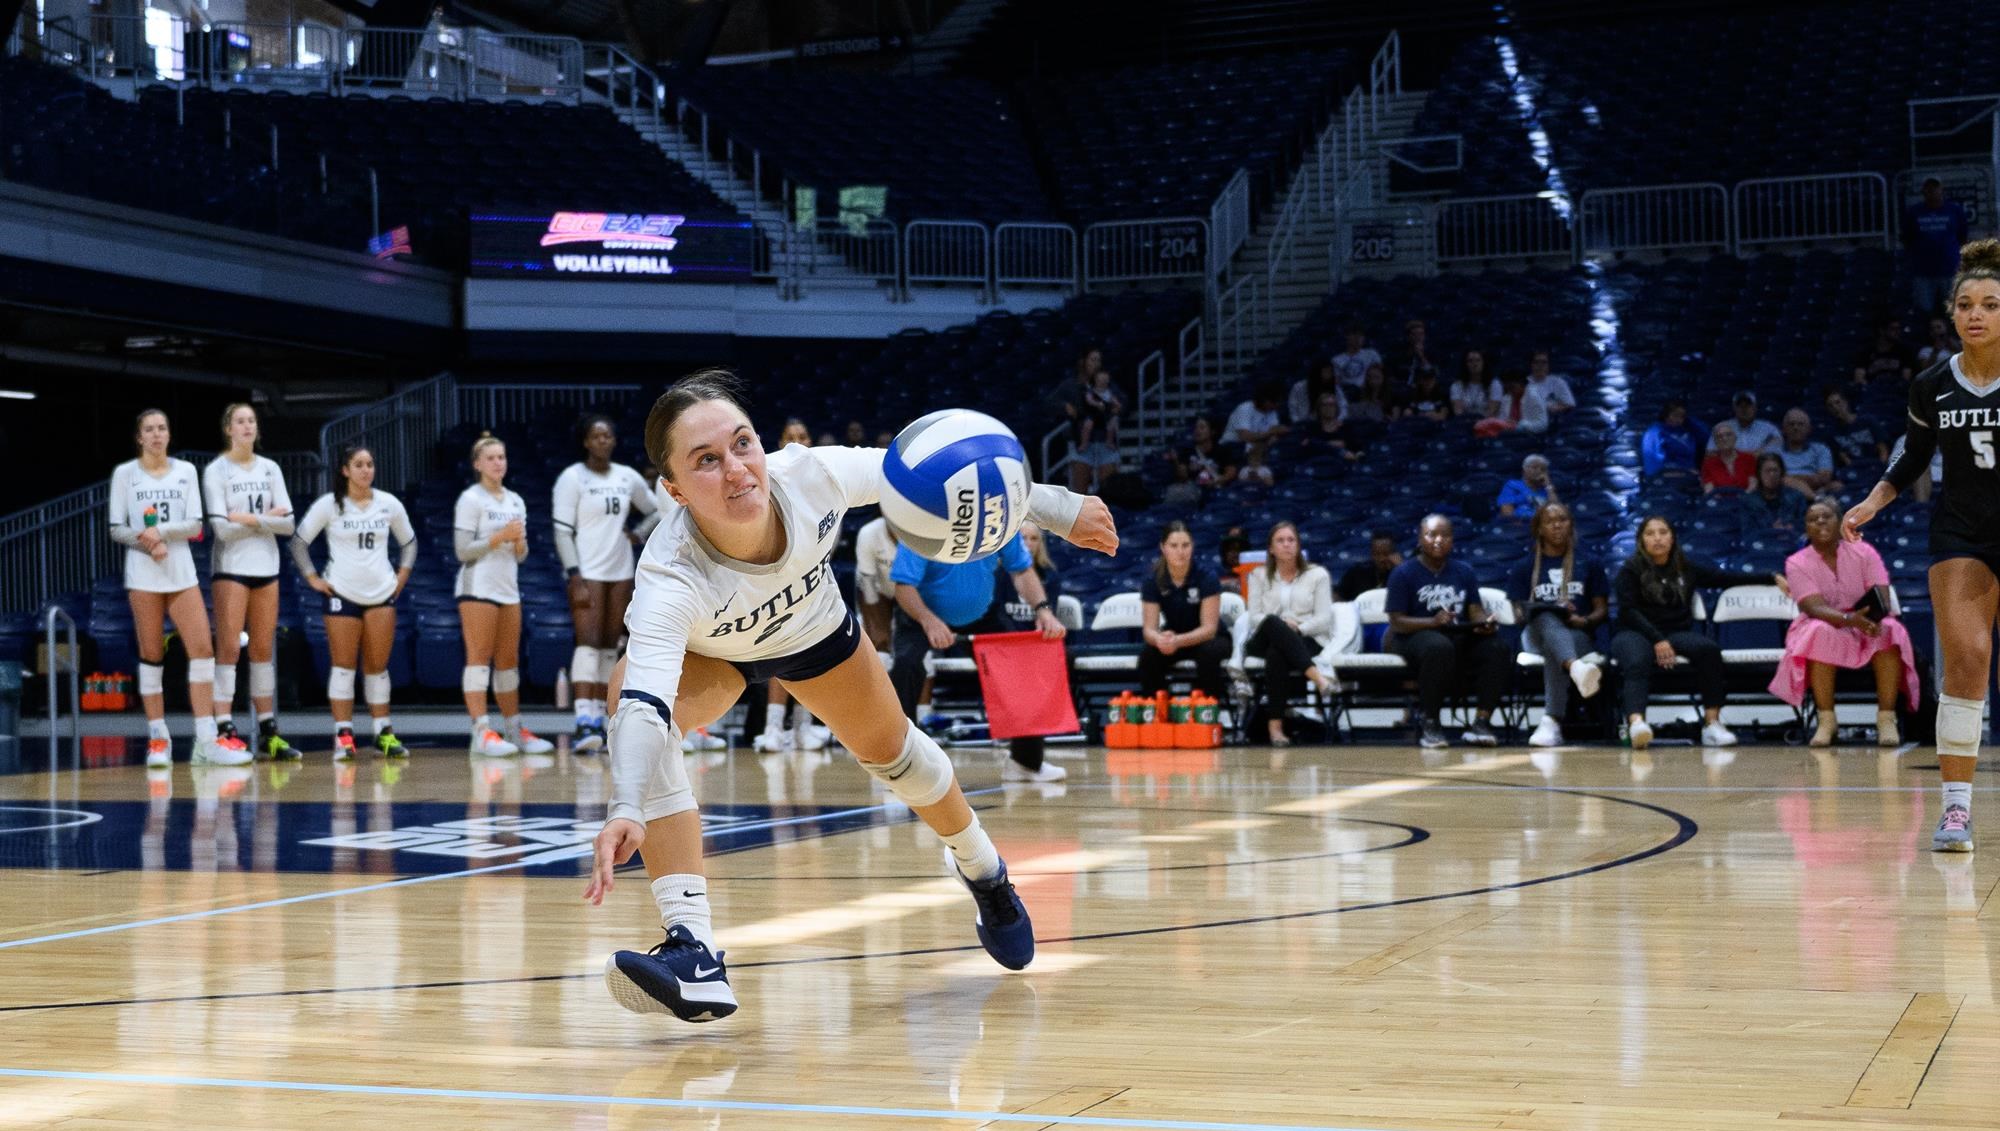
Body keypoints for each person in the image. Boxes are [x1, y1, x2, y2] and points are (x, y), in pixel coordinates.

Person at [583, 370, 1117, 1020]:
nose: (736, 469)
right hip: (712, 651)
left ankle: (984, 869)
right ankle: (692, 950)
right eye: (705, 460)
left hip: (813, 632)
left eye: (742, 443)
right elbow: (645, 700)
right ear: (673, 489)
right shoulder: (669, 573)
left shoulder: (812, 474)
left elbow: (942, 468)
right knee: (629, 700)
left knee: (900, 759)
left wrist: (1060, 507)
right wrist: (626, 802)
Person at [1844, 237, 2000, 852]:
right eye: (1966, 304)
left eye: (1990, 303)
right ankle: (1956, 812)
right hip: (1961, 533)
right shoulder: (1933, 383)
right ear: (1952, 312)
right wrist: (1874, 499)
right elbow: (1913, 454)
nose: (1976, 314)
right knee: (1966, 659)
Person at [892, 522, 1070, 783]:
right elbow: (904, 586)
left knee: (1020, 668)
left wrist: (1043, 610)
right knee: (906, 666)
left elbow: (1021, 570)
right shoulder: (922, 521)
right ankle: (899, 766)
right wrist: (929, 620)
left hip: (981, 613)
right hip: (922, 614)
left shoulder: (1000, 522)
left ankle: (1026, 763)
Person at [111, 409, 236, 767]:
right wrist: (146, 541)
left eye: (161, 428)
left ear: (168, 434)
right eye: (148, 429)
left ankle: (206, 739)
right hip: (143, 575)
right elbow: (116, 528)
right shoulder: (125, 475)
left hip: (180, 572)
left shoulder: (185, 472)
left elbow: (195, 524)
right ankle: (158, 737)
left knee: (202, 649)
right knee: (152, 654)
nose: (155, 434)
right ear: (139, 437)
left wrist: (160, 534)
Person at [1610, 515, 1783, 750]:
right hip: (1634, 631)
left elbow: (1724, 578)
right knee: (1637, 658)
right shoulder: (1629, 570)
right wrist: (1657, 640)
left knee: (1709, 651)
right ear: (1641, 540)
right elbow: (1629, 611)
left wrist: (1770, 577)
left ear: (1672, 538)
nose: (1657, 538)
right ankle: (1637, 723)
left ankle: (1712, 724)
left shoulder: (1685, 568)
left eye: (1663, 532)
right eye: (1650, 534)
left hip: (1674, 632)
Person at [291, 445, 417, 760]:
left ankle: (383, 733)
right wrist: (312, 578)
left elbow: (410, 542)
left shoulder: (388, 504)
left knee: (377, 667)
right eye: (359, 464)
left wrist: (401, 578)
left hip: (381, 594)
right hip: (341, 593)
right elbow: (298, 543)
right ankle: (343, 736)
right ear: (345, 470)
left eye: (370, 464)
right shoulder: (329, 505)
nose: (366, 470)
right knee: (344, 667)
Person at [1771, 498, 1919, 747]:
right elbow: (1812, 606)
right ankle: (1826, 720)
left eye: (1826, 516)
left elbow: (1881, 592)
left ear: (1840, 522)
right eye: (1812, 518)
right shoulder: (1796, 562)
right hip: (1825, 620)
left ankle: (1886, 719)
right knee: (1819, 632)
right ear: (1805, 527)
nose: (1819, 521)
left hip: (1865, 619)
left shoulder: (1865, 552)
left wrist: (1873, 619)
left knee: (1890, 630)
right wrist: (1850, 620)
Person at [554, 416, 659, 752]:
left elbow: (657, 511)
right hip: (586, 569)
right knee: (587, 643)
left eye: (608, 435)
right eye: (597, 435)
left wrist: (639, 533)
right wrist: (574, 574)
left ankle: (602, 718)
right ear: (586, 441)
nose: (603, 440)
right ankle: (583, 720)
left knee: (609, 647)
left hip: (620, 570)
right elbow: (561, 530)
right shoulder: (573, 478)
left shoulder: (627, 476)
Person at [202, 403, 298, 760]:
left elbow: (289, 523)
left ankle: (269, 729)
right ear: (228, 428)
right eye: (240, 421)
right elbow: (222, 529)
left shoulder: (270, 468)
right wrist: (265, 517)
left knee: (261, 652)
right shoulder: (216, 470)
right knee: (228, 649)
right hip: (231, 566)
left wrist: (246, 517)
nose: (247, 427)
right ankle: (225, 725)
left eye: (252, 421)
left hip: (266, 566)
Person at [454, 434, 553, 758]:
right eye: (492, 458)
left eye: (502, 457)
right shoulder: (471, 499)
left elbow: (520, 555)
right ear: (478, 464)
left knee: (508, 664)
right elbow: (462, 550)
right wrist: (499, 537)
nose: (499, 463)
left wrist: (519, 544)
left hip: (508, 588)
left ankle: (514, 729)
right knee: (479, 659)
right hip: (478, 587)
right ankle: (481, 731)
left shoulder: (515, 500)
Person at [1384, 515, 1508, 748]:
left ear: (1453, 540)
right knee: (1439, 646)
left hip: (1454, 635)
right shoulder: (1403, 573)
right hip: (1409, 636)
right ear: (1420, 539)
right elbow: (1397, 621)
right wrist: (1432, 622)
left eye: (1445, 535)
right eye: (1432, 535)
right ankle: (1430, 723)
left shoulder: (1464, 571)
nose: (1438, 540)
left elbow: (1474, 611)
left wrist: (1485, 622)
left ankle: (1481, 723)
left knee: (1497, 647)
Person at [752, 421, 828, 754]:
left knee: (810, 654)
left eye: (803, 436)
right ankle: (772, 729)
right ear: (779, 442)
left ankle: (802, 729)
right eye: (790, 437)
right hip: (775, 577)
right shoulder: (767, 477)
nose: (796, 443)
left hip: (813, 576)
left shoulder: (823, 482)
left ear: (811, 441)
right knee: (779, 656)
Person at [1509, 503, 1607, 747]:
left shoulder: (1589, 563)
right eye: (1549, 521)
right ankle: (1576, 668)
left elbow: (1601, 610)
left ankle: (1551, 722)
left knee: (1557, 646)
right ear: (1539, 528)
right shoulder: (1525, 566)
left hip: (1578, 633)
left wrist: (1584, 619)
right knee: (1545, 616)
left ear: (1571, 524)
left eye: (1562, 519)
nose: (1556, 525)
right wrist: (1550, 608)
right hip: (1535, 637)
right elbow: (1519, 614)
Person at [1243, 522, 1338, 746]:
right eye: (1280, 540)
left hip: (1306, 638)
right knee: (1275, 623)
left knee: (1278, 652)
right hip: (1263, 637)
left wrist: (1299, 628)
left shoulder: (1317, 575)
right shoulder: (1257, 576)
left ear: (1298, 545)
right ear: (1271, 549)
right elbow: (1254, 616)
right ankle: (1318, 678)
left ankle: (1275, 727)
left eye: (1291, 540)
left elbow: (1324, 618)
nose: (1286, 545)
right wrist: (1282, 625)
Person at [1138, 522, 1230, 700]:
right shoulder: (1153, 580)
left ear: (1192, 546)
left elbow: (1209, 629)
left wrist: (1177, 641)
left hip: (1210, 638)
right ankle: (1158, 712)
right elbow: (1149, 630)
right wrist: (1159, 640)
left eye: (1185, 545)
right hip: (1175, 636)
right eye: (1174, 546)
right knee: (1148, 656)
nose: (1180, 551)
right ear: (1163, 548)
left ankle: (1209, 712)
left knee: (1208, 654)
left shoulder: (1206, 577)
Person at [1906, 177, 1969, 319]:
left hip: (1950, 268)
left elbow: (1962, 235)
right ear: (1923, 191)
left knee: (1954, 310)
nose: (1932, 191)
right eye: (1928, 188)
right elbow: (1907, 237)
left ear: (1941, 190)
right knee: (1924, 311)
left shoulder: (1955, 210)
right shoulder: (1914, 212)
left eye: (1935, 188)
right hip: (1923, 271)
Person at [1742, 452, 1811, 538]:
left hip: (1791, 543)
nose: (1772, 475)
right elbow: (1747, 532)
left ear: (1781, 473)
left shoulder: (1796, 497)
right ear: (1759, 474)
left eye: (1775, 470)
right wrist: (1771, 530)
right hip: (1762, 545)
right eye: (1767, 471)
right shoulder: (1748, 501)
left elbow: (1806, 525)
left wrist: (1791, 528)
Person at [1821, 386, 1889, 466]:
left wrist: (1882, 469)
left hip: (1875, 465)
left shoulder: (1868, 421)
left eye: (1838, 402)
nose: (1835, 408)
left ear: (1846, 402)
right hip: (1855, 470)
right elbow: (1845, 459)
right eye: (1830, 406)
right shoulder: (1832, 433)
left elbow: (1883, 450)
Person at [1776, 408, 1836, 494]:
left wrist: (1790, 479)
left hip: (1816, 489)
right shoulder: (1774, 451)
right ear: (1784, 429)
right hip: (1782, 493)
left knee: (1836, 486)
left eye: (1800, 424)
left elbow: (1824, 478)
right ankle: (1814, 498)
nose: (1795, 428)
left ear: (1809, 429)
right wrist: (1809, 478)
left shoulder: (1821, 449)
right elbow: (1773, 479)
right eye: (1791, 424)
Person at [1641, 400, 1704, 479]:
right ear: (1666, 415)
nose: (1678, 419)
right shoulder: (1654, 432)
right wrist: (1683, 473)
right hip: (1667, 478)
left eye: (1682, 416)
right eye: (1675, 415)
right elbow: (1653, 464)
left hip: (1690, 476)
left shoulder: (1688, 429)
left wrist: (1690, 421)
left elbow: (1706, 436)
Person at [1223, 383, 1288, 456]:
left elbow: (1273, 436)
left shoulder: (1272, 412)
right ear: (1265, 400)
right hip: (1232, 447)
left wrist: (1276, 433)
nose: (1277, 405)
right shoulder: (1244, 408)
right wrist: (1270, 433)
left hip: (1255, 448)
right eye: (1274, 402)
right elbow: (1245, 437)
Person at [1338, 531, 1403, 601]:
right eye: (1377, 554)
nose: (1381, 559)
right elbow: (1338, 596)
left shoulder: (1400, 575)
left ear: (1395, 554)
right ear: (1371, 554)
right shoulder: (1356, 573)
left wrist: (1401, 568)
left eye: (1386, 554)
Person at [1853, 316, 1917, 385]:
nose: (1897, 332)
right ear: (1882, 331)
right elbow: (1859, 379)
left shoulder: (1904, 351)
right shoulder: (1866, 351)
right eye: (1893, 329)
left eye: (1898, 329)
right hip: (1873, 391)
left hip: (1896, 391)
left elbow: (1906, 379)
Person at [1496, 453, 1558, 518]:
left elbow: (1556, 512)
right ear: (1524, 469)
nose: (1539, 471)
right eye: (1534, 468)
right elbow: (1507, 513)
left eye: (1543, 469)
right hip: (1519, 524)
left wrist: (1548, 486)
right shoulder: (1512, 485)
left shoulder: (1546, 490)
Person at [1701, 421, 1756, 492]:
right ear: (1715, 442)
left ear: (1735, 438)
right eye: (1719, 436)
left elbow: (1753, 485)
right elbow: (1709, 490)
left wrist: (1743, 499)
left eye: (1728, 435)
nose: (1724, 439)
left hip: (1746, 499)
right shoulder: (1708, 464)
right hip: (1721, 501)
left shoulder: (1749, 459)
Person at [1288, 360, 1346, 424]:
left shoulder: (1335, 387)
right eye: (1326, 372)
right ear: (1317, 373)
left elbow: (1343, 406)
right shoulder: (1298, 387)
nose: (1329, 374)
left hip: (1329, 424)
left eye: (1330, 372)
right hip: (1304, 424)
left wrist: (1339, 420)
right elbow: (1292, 409)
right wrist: (1298, 423)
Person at [1525, 349, 1577, 415]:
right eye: (1536, 362)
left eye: (1544, 362)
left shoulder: (1558, 382)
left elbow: (1570, 404)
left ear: (1548, 365)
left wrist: (1554, 408)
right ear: (1531, 364)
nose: (1540, 365)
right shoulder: (1523, 383)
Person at [1331, 325, 1382, 390]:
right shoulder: (1336, 360)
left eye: (1361, 335)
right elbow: (1336, 382)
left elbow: (1380, 375)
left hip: (1369, 391)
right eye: (1354, 334)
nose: (1358, 338)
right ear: (1347, 336)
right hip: (1346, 393)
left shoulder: (1372, 354)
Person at [1392, 318, 1439, 385]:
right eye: (1414, 334)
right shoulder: (1399, 354)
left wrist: (1421, 356)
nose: (1418, 337)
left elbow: (1433, 374)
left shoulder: (1431, 353)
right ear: (1408, 337)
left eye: (1421, 334)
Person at [1448, 350, 1490, 418]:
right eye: (1470, 361)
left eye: (1478, 360)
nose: (1474, 364)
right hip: (1464, 423)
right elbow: (1458, 412)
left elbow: (1492, 411)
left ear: (1483, 363)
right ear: (1465, 364)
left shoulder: (1494, 384)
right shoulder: (1456, 386)